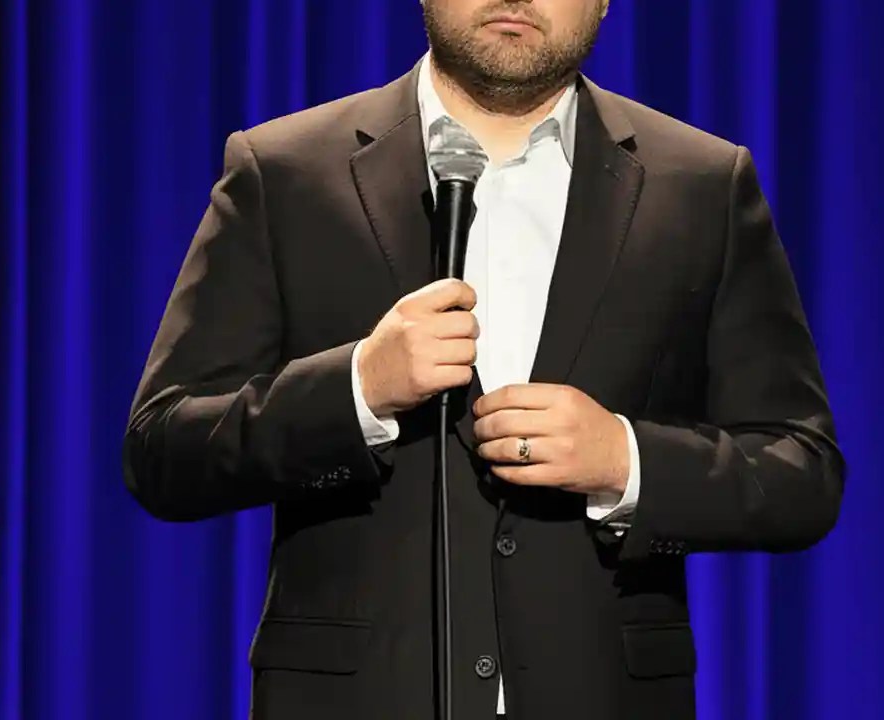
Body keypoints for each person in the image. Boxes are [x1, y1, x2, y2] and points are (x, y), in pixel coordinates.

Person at [123, 1, 845, 718]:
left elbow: (800, 472)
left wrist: (624, 461)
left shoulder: (701, 184)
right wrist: (356, 391)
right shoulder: (283, 171)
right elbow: (164, 449)